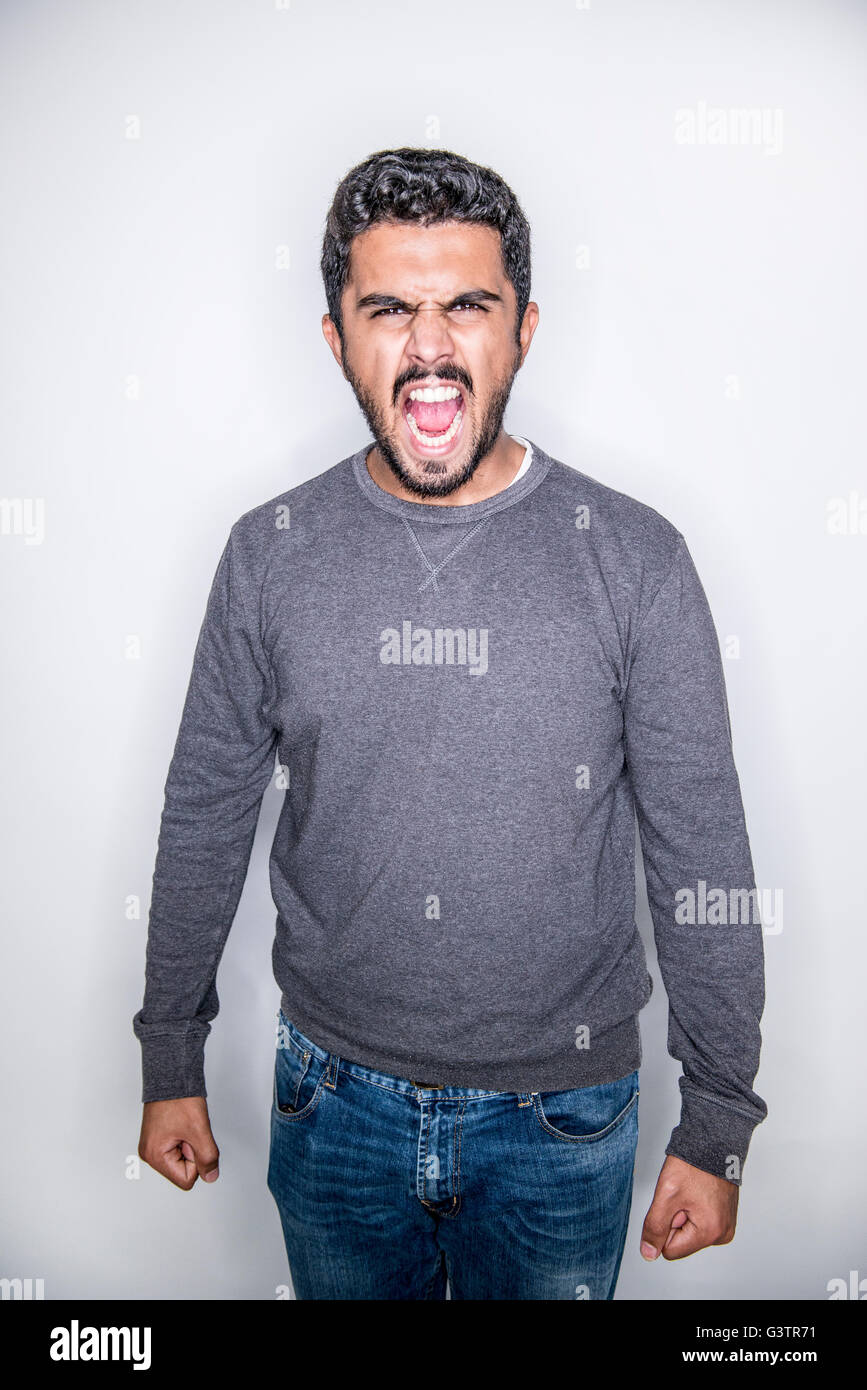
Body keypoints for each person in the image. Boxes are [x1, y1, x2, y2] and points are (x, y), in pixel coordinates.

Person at [135, 147, 767, 1300]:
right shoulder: (268, 555)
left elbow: (702, 853)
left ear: (523, 329)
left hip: (564, 1120)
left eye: (466, 306)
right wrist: (169, 1052)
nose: (428, 346)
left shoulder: (635, 559)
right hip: (330, 1107)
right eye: (388, 309)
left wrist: (717, 1119)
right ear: (337, 338)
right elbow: (204, 814)